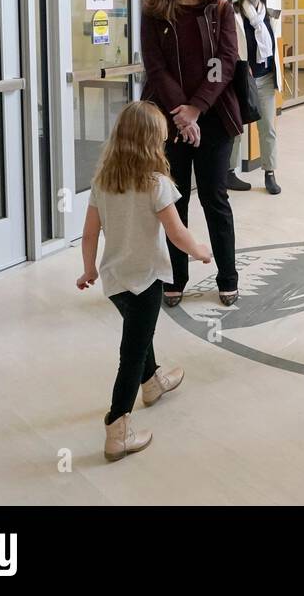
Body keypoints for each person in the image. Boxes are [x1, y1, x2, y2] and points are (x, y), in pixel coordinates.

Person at [77, 101, 211, 462]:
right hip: (147, 279)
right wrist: (199, 251)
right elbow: (177, 232)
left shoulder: (103, 182)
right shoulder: (157, 184)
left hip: (116, 280)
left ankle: (152, 383)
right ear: (154, 143)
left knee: (139, 331)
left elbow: (89, 235)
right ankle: (117, 428)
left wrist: (88, 269)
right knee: (132, 352)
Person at [140, 0, 243, 307]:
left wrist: (196, 108)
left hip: (213, 118)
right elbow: (155, 67)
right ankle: (176, 276)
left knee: (215, 197)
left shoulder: (220, 9)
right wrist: (181, 113)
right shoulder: (153, 11)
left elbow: (226, 62)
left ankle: (227, 275)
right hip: (168, 121)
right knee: (174, 198)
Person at [227, 0, 282, 196]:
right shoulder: (233, 12)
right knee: (236, 128)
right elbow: (228, 45)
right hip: (241, 79)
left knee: (267, 127)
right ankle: (229, 172)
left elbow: (273, 48)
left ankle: (270, 172)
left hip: (266, 79)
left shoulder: (270, 15)